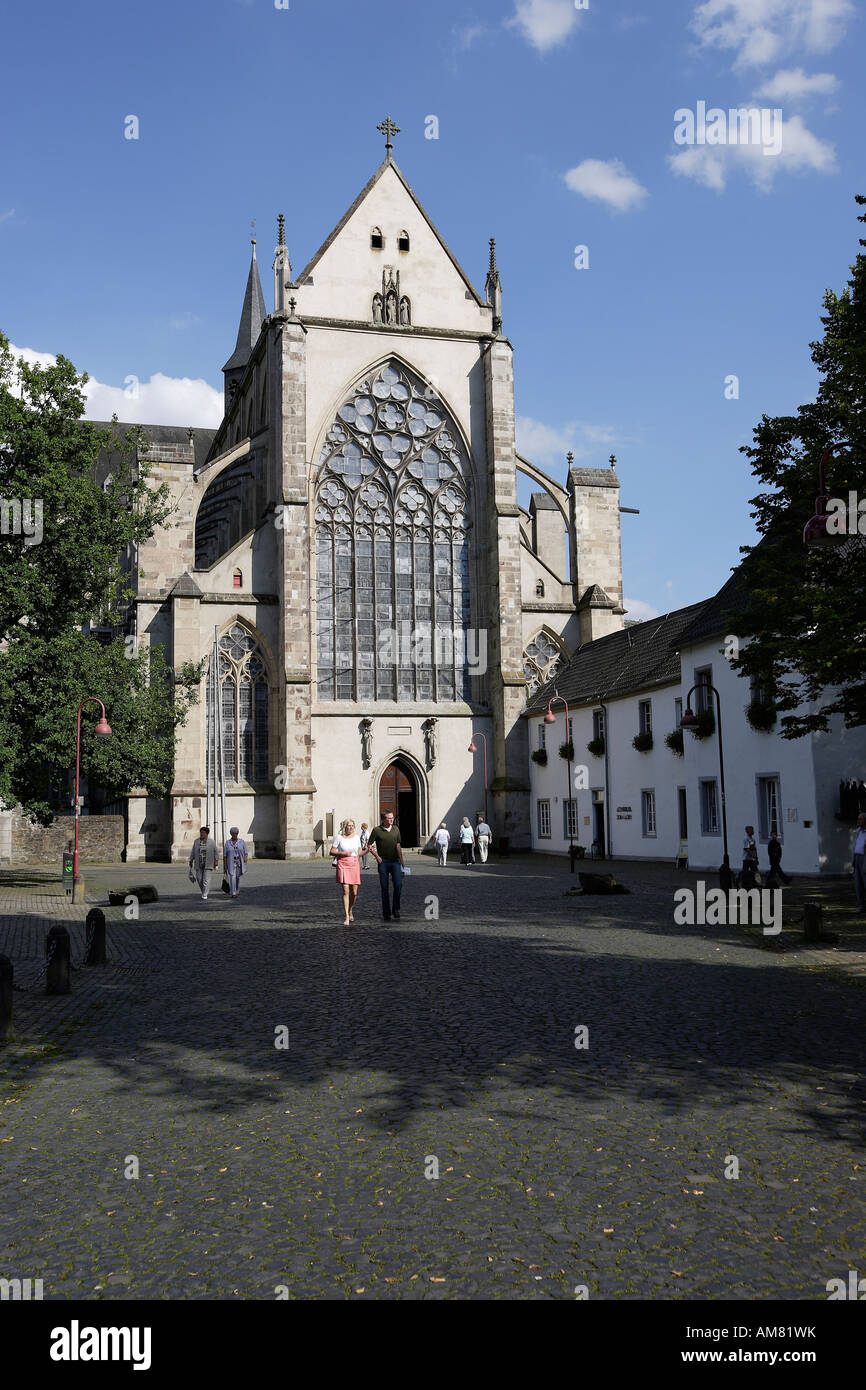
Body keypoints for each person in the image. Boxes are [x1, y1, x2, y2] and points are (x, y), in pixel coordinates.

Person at [367, 810, 404, 921]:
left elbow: (398, 846)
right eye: (389, 818)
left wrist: (402, 862)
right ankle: (386, 912)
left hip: (395, 862)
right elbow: (369, 845)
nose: (392, 819)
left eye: (392, 817)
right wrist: (377, 857)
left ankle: (396, 908)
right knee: (384, 888)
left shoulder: (396, 829)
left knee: (398, 885)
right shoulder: (377, 830)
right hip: (383, 862)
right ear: (383, 819)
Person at [330, 818, 362, 926]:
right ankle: (347, 916)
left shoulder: (357, 838)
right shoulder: (339, 838)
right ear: (345, 827)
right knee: (346, 891)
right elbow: (332, 851)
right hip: (343, 864)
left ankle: (350, 909)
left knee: (355, 892)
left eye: (352, 825)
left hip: (354, 864)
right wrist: (343, 853)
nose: (351, 827)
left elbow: (360, 852)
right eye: (349, 825)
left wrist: (369, 849)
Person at [188, 826, 219, 901]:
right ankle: (204, 891)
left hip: (208, 863)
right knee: (199, 879)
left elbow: (216, 851)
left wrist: (216, 860)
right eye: (201, 832)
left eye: (203, 833)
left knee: (206, 880)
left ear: (207, 834)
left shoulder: (212, 841)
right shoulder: (196, 841)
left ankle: (204, 894)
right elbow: (193, 851)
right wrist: (191, 859)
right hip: (199, 863)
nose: (201, 834)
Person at [224, 826, 249, 899]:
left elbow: (246, 852)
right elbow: (225, 855)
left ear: (237, 834)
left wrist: (245, 858)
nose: (235, 835)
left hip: (240, 862)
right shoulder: (228, 843)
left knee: (238, 877)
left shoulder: (241, 842)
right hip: (231, 862)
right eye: (233, 833)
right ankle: (233, 893)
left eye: (236, 833)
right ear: (231, 834)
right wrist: (225, 865)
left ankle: (237, 891)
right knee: (232, 877)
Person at [853, 812, 866, 915]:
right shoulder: (857, 832)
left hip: (864, 859)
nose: (858, 821)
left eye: (861, 819)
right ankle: (861, 906)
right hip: (857, 858)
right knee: (858, 884)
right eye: (858, 819)